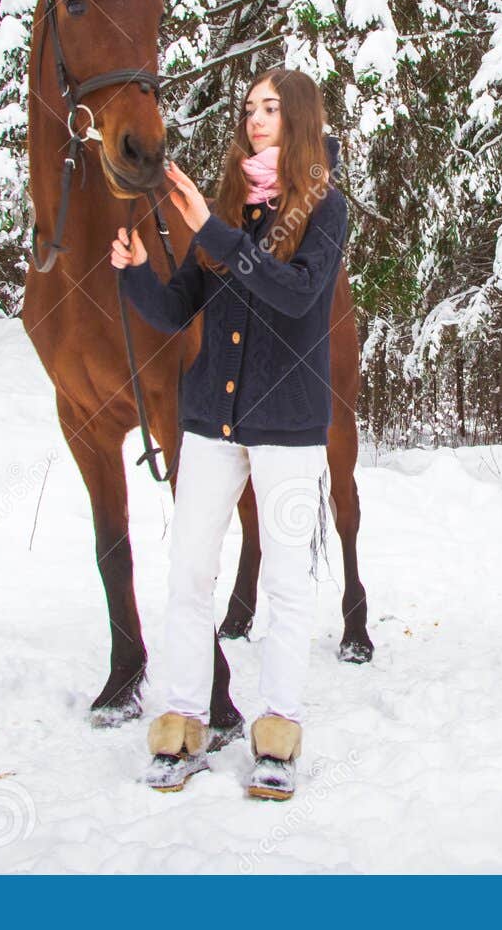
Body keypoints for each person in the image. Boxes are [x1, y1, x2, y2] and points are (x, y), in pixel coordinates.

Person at [110, 67, 350, 795]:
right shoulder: (224, 208)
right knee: (188, 570)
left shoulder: (324, 207)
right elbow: (178, 306)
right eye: (249, 107)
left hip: (288, 427)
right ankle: (181, 722)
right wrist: (137, 274)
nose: (255, 116)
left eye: (271, 107)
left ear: (299, 116)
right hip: (210, 421)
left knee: (285, 580)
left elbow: (297, 291)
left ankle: (276, 731)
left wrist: (210, 230)